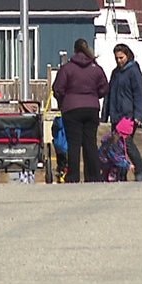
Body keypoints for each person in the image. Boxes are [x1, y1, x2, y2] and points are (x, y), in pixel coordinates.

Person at [52, 38, 109, 183]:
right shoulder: (96, 68)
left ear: (75, 50)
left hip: (72, 109)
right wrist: (95, 95)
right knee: (90, 142)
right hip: (92, 108)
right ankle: (94, 176)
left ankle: (74, 176)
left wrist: (63, 100)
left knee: (74, 144)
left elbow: (58, 88)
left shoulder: (67, 68)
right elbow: (104, 88)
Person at [102, 43, 142, 181]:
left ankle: (141, 171)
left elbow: (139, 94)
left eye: (121, 57)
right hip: (116, 115)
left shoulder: (133, 71)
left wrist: (138, 115)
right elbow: (109, 94)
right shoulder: (115, 73)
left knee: (127, 144)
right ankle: (120, 174)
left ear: (127, 55)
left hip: (128, 116)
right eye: (117, 58)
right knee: (116, 147)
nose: (119, 61)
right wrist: (105, 114)